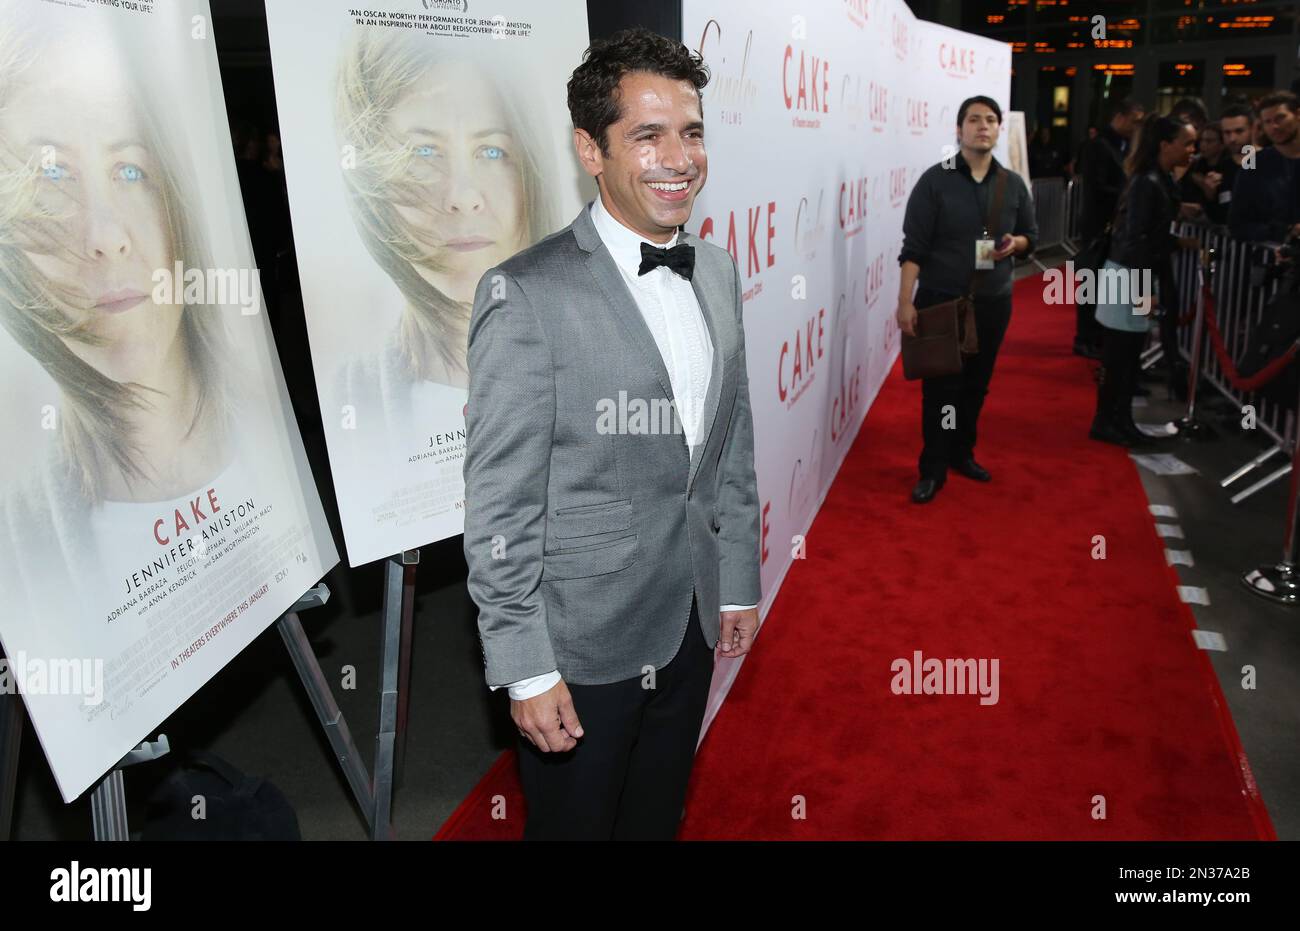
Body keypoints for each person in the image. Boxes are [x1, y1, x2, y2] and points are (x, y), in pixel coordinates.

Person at [462, 28, 762, 840]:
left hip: (691, 617)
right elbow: (499, 507)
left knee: (656, 819)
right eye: (648, 135)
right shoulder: (525, 295)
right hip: (584, 642)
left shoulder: (718, 270)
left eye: (692, 132)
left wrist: (737, 576)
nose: (680, 159)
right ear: (590, 150)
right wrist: (525, 666)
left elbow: (731, 443)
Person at [333, 27, 558, 425]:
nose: (463, 195)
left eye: (492, 151)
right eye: (423, 152)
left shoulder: (600, 358)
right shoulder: (350, 400)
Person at [895, 95, 1038, 504]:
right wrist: (905, 302)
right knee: (941, 390)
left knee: (977, 386)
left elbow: (1032, 237)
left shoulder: (1013, 184)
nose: (983, 126)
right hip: (940, 301)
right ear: (959, 130)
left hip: (993, 302)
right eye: (974, 119)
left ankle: (962, 454)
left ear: (998, 129)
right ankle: (933, 468)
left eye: (990, 119)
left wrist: (1017, 243)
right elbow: (914, 249)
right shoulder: (935, 180)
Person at [1090, 117, 1202, 446]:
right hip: (1130, 277)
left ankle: (1119, 421)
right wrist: (1144, 290)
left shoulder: (1156, 179)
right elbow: (1136, 238)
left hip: (1134, 275)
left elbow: (1146, 235)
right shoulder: (1146, 181)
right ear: (1166, 145)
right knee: (1120, 356)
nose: (1192, 149)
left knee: (1127, 356)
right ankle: (1109, 422)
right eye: (1187, 142)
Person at [1074, 98, 1146, 358]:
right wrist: (1130, 194)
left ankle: (1097, 335)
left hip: (1113, 228)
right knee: (1091, 282)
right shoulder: (1098, 146)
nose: (1137, 128)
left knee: (1105, 284)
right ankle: (1085, 338)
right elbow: (1097, 186)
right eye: (1134, 121)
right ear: (1120, 117)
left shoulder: (1123, 146)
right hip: (1098, 226)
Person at [1229, 91, 1300, 244]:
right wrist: (1284, 232)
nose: (1274, 126)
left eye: (1280, 118)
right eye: (1267, 122)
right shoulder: (1253, 165)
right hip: (1271, 253)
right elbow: (1237, 224)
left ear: (1297, 115)